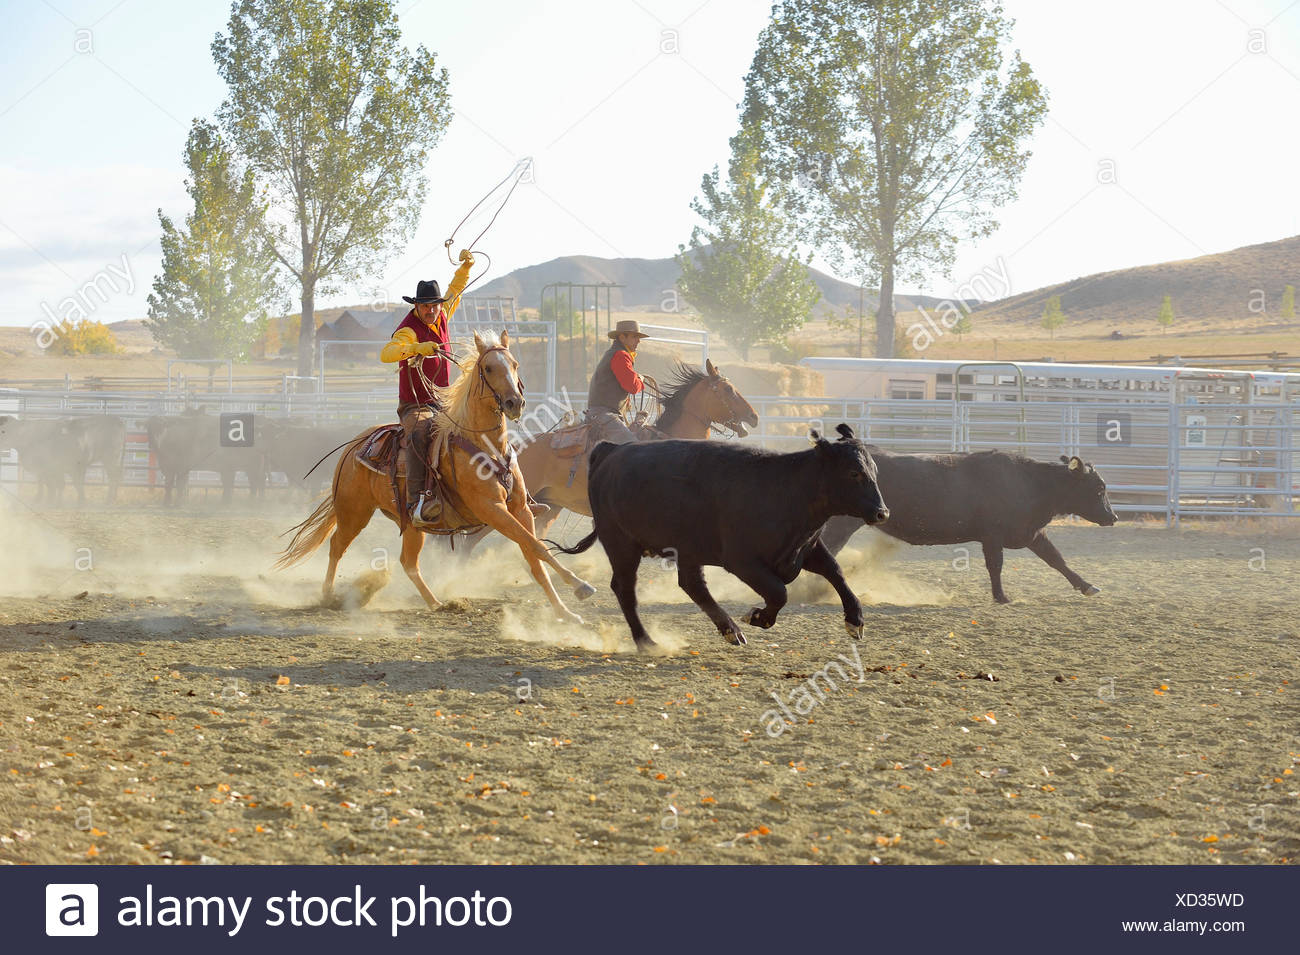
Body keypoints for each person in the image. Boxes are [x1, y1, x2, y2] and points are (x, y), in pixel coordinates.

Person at [381, 250, 474, 527]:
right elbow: (387, 353)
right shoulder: (408, 329)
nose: (431, 310)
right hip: (416, 405)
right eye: (426, 306)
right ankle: (415, 501)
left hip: (443, 402)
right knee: (420, 432)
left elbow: (455, 290)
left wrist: (466, 267)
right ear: (417, 307)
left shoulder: (442, 314)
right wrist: (415, 348)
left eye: (435, 305)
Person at [584, 319, 657, 444]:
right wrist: (640, 379)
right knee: (632, 447)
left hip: (600, 414)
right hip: (605, 415)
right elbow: (633, 387)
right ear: (622, 337)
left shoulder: (614, 353)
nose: (638, 341)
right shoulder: (621, 355)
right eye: (635, 337)